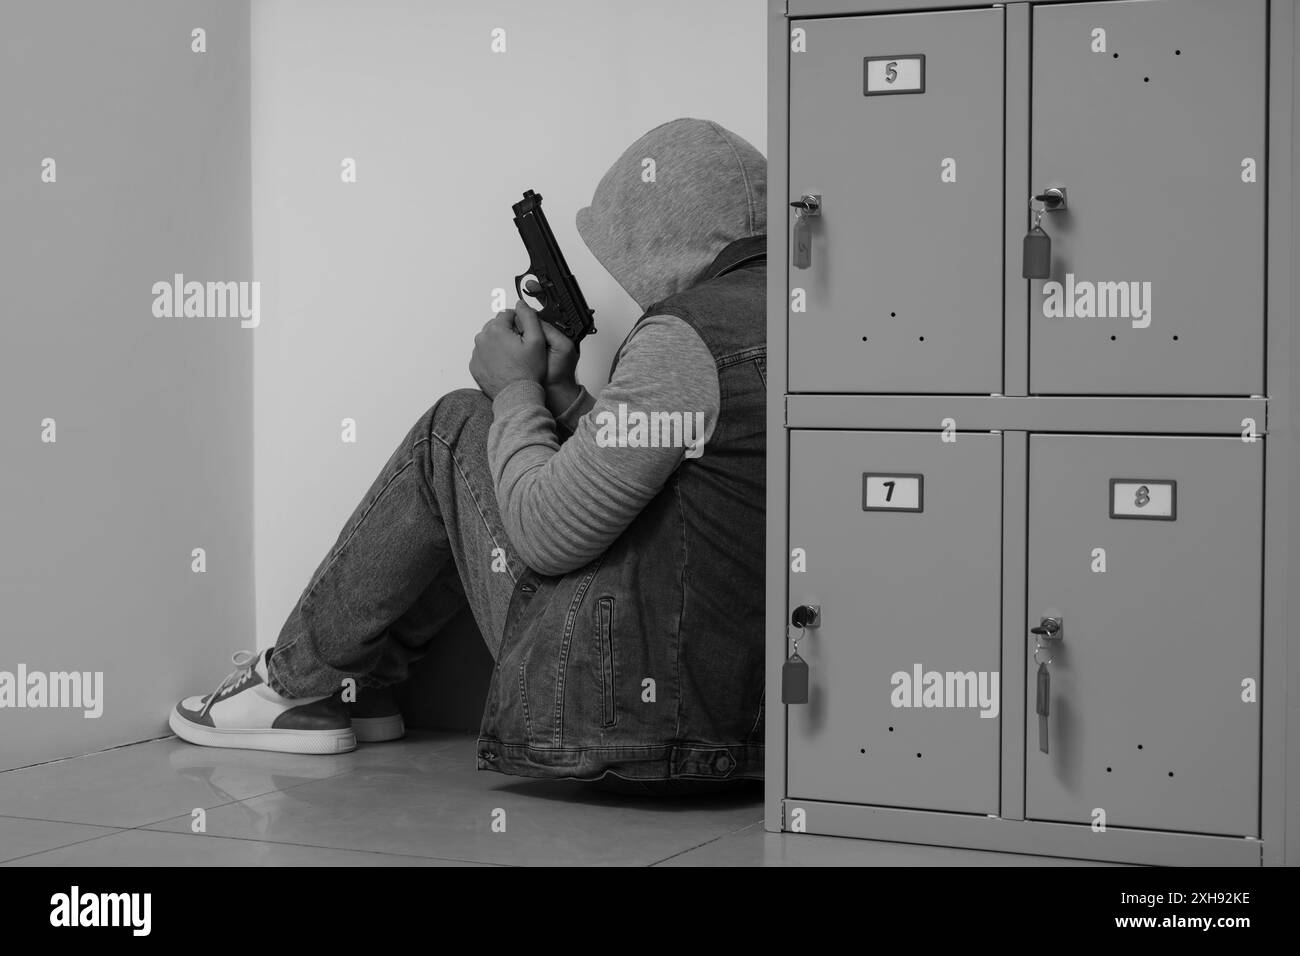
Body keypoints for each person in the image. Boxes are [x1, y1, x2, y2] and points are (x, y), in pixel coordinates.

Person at [169, 118, 768, 788]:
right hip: (735, 725)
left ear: (659, 232)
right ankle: (349, 687)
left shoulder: (683, 337)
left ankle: (288, 686)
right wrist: (563, 392)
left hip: (625, 721)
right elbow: (675, 488)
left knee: (455, 426)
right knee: (489, 437)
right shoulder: (798, 319)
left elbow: (544, 534)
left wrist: (513, 388)